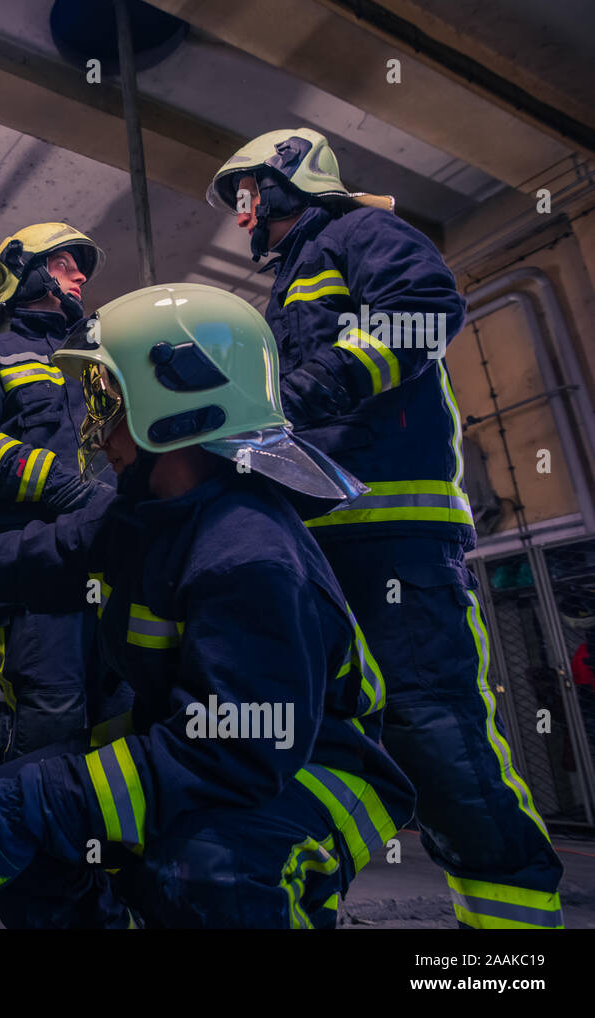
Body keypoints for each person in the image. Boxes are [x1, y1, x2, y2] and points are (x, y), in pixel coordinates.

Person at [0, 283, 416, 928]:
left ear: (179, 403)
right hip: (200, 749)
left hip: (313, 770)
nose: (93, 425)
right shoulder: (141, 513)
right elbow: (34, 558)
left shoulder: (248, 554)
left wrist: (61, 796)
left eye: (108, 398)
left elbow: (241, 752)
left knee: (205, 864)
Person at [207, 127, 564, 929]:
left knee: (432, 728)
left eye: (247, 195)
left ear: (288, 178)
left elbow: (425, 311)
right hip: (325, 542)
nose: (241, 217)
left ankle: (511, 947)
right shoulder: (292, 276)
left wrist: (306, 390)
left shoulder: (360, 233)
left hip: (396, 531)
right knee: (325, 732)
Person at [0, 223, 112, 760]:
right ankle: (45, 841)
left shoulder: (101, 358)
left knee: (127, 711)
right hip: (40, 580)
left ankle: (112, 845)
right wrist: (65, 490)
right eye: (62, 264)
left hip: (119, 571)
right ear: (26, 272)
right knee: (51, 723)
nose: (79, 275)